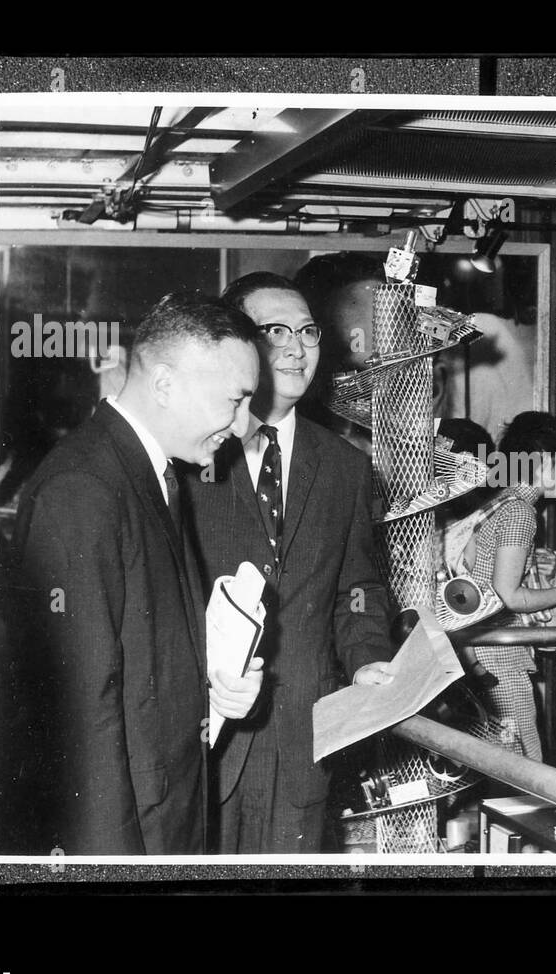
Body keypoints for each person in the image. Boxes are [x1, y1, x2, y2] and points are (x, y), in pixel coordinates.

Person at [0, 294, 266, 855]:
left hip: (166, 813)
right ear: (164, 384)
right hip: (128, 837)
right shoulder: (83, 490)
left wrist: (216, 689)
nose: (241, 425)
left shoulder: (151, 473)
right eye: (235, 401)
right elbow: (76, 717)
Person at [183, 271, 395, 854]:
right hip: (202, 734)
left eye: (308, 332)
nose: (297, 348)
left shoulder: (346, 467)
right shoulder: (191, 456)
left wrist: (367, 659)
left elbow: (359, 586)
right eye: (275, 330)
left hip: (305, 734)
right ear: (234, 343)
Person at [466, 412, 556, 761]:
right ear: (543, 461)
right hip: (499, 657)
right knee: (525, 765)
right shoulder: (521, 513)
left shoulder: (498, 503)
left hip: (477, 652)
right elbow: (508, 595)